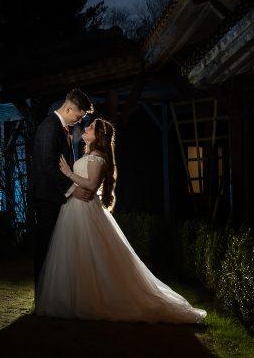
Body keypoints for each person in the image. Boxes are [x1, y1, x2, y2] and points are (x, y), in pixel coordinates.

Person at [34, 116, 206, 324]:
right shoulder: (90, 153)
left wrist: (69, 174)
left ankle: (89, 300)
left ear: (98, 136)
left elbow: (91, 184)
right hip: (74, 210)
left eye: (90, 127)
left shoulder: (98, 157)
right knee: (76, 253)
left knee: (90, 255)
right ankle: (73, 300)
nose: (86, 128)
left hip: (84, 211)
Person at [29, 88, 96, 301]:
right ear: (68, 108)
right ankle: (43, 299)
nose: (79, 120)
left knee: (56, 250)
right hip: (48, 198)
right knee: (46, 248)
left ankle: (54, 295)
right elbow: (48, 166)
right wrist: (72, 189)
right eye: (79, 116)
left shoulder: (61, 128)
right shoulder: (50, 127)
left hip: (56, 198)